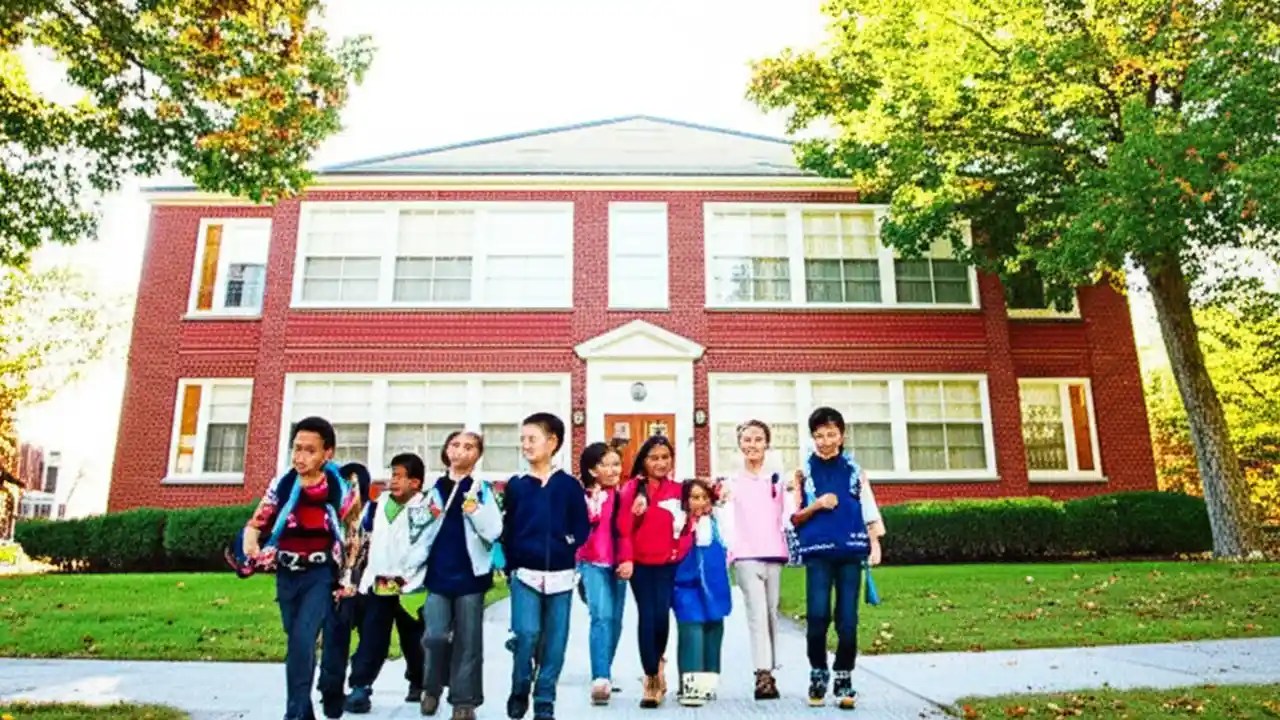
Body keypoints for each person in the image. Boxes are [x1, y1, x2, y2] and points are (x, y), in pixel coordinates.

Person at [241, 416, 362, 720]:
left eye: (310, 450)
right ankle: (303, 710)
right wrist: (251, 546)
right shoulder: (282, 484)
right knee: (297, 642)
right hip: (287, 573)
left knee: (302, 640)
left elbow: (353, 535)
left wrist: (348, 578)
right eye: (296, 448)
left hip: (320, 575)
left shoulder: (339, 487)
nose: (300, 457)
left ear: (327, 454)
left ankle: (293, 714)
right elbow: (258, 522)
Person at [790, 406, 886, 711]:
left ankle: (844, 676)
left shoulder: (855, 471)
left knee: (848, 620)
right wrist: (817, 504)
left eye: (831, 434)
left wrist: (874, 543)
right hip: (818, 553)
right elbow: (794, 518)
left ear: (841, 435)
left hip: (850, 552)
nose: (825, 440)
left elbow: (868, 508)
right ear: (812, 437)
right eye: (819, 435)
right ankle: (818, 672)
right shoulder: (803, 472)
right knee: (817, 617)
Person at [501, 412, 591, 720]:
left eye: (532, 439)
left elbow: (582, 527)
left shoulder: (569, 486)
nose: (525, 445)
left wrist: (566, 542)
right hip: (524, 574)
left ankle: (544, 700)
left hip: (561, 577)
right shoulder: (516, 485)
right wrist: (512, 562)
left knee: (554, 644)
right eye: (522, 439)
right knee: (526, 634)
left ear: (552, 442)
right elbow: (508, 527)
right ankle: (520, 686)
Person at [415, 430, 503, 720]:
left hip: (470, 575)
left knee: (468, 639)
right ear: (445, 450)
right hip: (438, 574)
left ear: (477, 455)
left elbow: (494, 530)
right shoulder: (432, 488)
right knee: (435, 635)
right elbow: (417, 528)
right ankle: (431, 686)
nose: (461, 451)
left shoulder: (481, 489)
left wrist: (475, 509)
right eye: (455, 445)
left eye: (469, 447)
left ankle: (464, 701)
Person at [343, 453, 429, 714]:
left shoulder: (426, 508)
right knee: (373, 635)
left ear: (415, 482)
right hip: (378, 582)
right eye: (392, 474)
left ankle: (418, 680)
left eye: (399, 476)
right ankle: (361, 687)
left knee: (414, 638)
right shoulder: (378, 505)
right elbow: (365, 538)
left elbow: (427, 543)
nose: (393, 481)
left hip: (411, 584)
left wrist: (410, 571)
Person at [614, 435, 694, 709]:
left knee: (661, 616)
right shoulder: (632, 489)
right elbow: (623, 528)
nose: (661, 463)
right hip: (640, 565)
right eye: (654, 458)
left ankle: (658, 662)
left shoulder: (681, 490)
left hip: (670, 564)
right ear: (644, 461)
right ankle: (650, 677)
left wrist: (679, 551)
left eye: (665, 457)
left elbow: (688, 527)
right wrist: (626, 559)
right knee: (648, 615)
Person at [717, 420, 789, 700]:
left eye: (758, 439)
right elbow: (722, 513)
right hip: (746, 554)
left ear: (767, 444)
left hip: (774, 552)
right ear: (739, 445)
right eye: (747, 440)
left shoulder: (778, 480)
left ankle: (770, 668)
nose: (752, 445)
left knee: (771, 613)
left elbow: (789, 514)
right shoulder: (731, 483)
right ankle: (762, 674)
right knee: (756, 613)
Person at [575, 442, 627, 705]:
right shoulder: (584, 496)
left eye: (615, 464)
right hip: (592, 562)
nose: (611, 469)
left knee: (616, 620)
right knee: (601, 615)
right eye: (604, 465)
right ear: (593, 470)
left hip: (619, 564)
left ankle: (606, 666)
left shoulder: (625, 495)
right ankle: (601, 677)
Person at [672, 478, 732, 707]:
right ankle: (690, 681)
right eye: (695, 497)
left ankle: (708, 681)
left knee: (713, 627)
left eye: (704, 497)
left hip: (714, 586)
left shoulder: (717, 522)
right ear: (685, 501)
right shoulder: (680, 523)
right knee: (691, 627)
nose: (700, 502)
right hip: (685, 585)